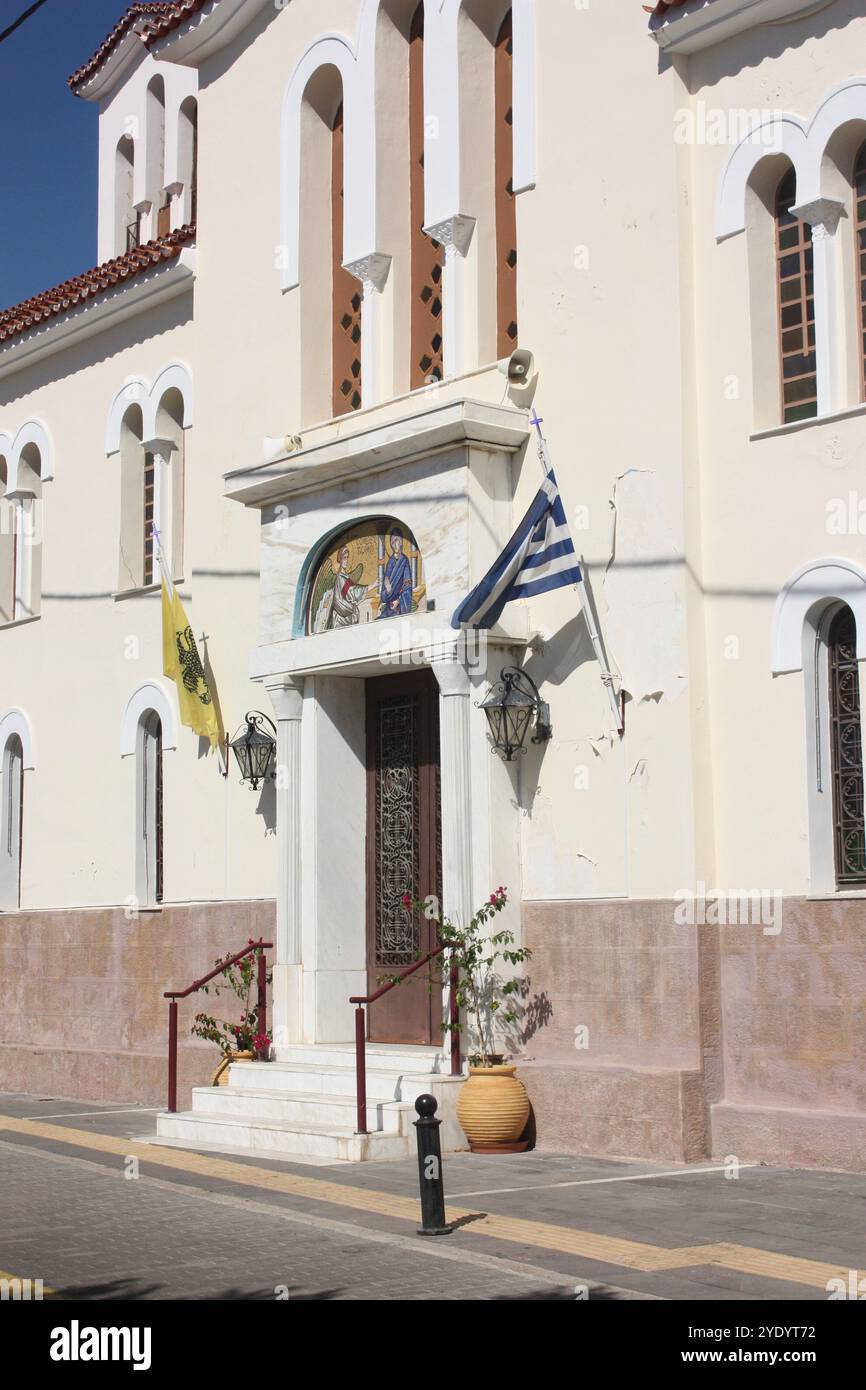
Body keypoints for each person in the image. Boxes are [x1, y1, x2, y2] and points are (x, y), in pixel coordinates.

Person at [377, 527, 414, 620]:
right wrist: (388, 591)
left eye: (397, 540)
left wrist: (398, 601)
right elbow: (383, 596)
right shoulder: (390, 563)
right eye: (393, 542)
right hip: (388, 609)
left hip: (399, 607)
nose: (395, 544)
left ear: (401, 542)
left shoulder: (404, 561)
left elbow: (408, 588)